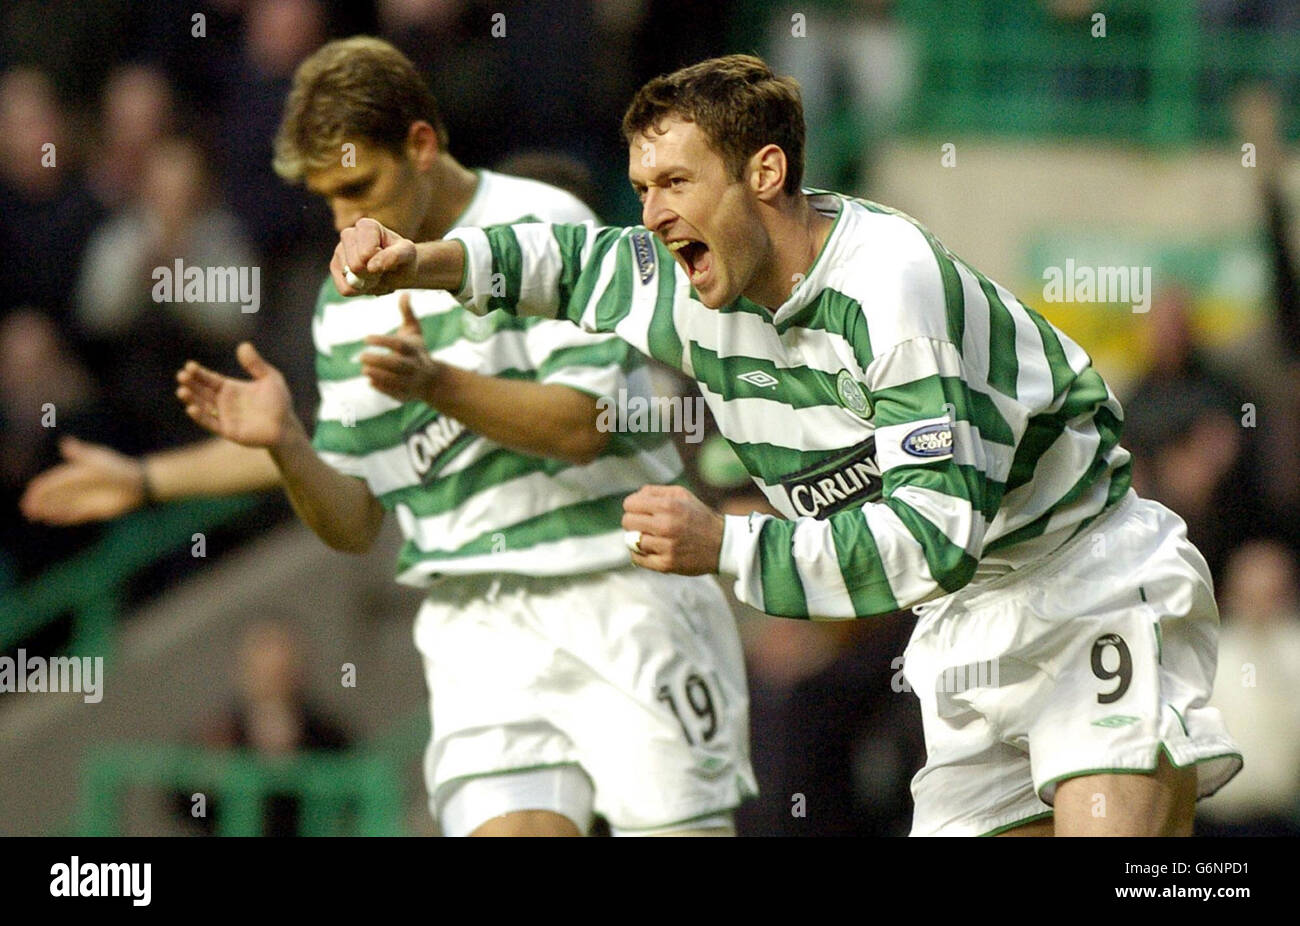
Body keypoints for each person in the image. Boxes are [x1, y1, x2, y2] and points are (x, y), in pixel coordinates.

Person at [329, 53, 1243, 837]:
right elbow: (569, 264)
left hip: (1080, 576)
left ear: (765, 173)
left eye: (676, 183)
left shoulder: (887, 288)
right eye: (643, 188)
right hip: (962, 631)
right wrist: (422, 261)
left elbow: (935, 537)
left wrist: (726, 545)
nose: (650, 214)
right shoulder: (687, 287)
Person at [23, 37, 755, 837]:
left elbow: (583, 425)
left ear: (420, 144)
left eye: (359, 187)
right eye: (327, 198)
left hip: (621, 593)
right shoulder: (345, 307)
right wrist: (284, 449)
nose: (345, 220)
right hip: (478, 620)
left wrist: (437, 384)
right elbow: (355, 518)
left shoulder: (540, 219)